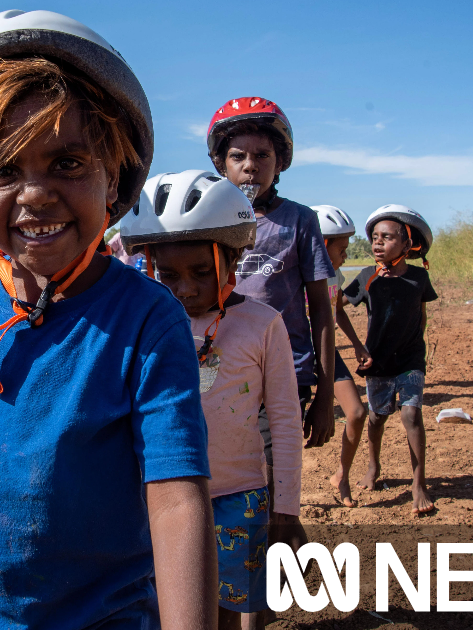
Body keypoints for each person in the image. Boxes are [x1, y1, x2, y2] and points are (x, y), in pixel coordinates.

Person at [0, 10, 216, 630]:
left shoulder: (146, 319)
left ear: (114, 178)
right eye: (2, 171)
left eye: (68, 163)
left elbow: (177, 498)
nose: (34, 193)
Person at [119, 170, 304, 629]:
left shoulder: (263, 325)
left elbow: (283, 421)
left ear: (233, 260)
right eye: (168, 274)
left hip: (238, 496)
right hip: (158, 495)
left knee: (232, 610)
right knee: (168, 605)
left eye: (201, 272)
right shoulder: (148, 325)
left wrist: (285, 507)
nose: (183, 288)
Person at [205, 97, 335, 551]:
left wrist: (325, 393)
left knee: (272, 483)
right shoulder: (208, 220)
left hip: (286, 372)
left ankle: (265, 578)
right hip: (223, 370)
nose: (250, 167)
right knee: (227, 477)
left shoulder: (298, 220)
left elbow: (321, 308)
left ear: (280, 162)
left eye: (262, 156)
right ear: (221, 163)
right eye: (237, 157)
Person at [341, 204, 437, 515]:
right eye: (375, 237)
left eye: (387, 237)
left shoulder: (419, 278)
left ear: (407, 245)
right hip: (377, 362)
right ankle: (374, 464)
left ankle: (418, 483)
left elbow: (420, 317)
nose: (378, 243)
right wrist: (358, 345)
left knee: (411, 415)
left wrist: (418, 351)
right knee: (377, 417)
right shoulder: (368, 277)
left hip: (411, 360)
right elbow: (336, 306)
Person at [312, 205, 372, 509]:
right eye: (343, 248)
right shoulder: (295, 276)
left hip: (325, 350)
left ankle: (342, 475)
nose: (346, 255)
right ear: (322, 246)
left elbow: (335, 310)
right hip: (293, 352)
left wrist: (357, 344)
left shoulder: (333, 274)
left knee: (357, 413)